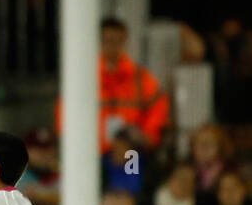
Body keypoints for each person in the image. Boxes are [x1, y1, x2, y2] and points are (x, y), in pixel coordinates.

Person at [55, 17, 170, 154]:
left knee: (130, 169)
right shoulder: (83, 79)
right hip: (92, 152)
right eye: (107, 41)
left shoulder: (140, 78)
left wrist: (145, 136)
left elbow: (158, 106)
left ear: (125, 42)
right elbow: (65, 116)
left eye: (118, 41)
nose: (113, 47)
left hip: (130, 150)